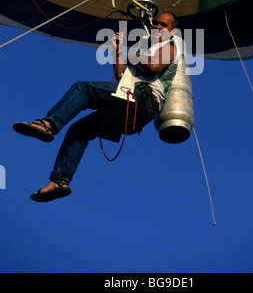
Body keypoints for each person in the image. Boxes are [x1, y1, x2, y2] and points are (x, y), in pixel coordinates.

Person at [13, 12, 180, 202]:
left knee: (83, 89)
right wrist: (118, 50)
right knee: (79, 130)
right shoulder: (145, 49)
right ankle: (59, 181)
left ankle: (48, 124)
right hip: (132, 100)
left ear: (172, 31)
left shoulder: (169, 46)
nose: (157, 27)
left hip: (143, 100)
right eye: (155, 23)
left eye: (163, 25)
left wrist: (130, 55)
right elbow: (120, 76)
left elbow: (153, 67)